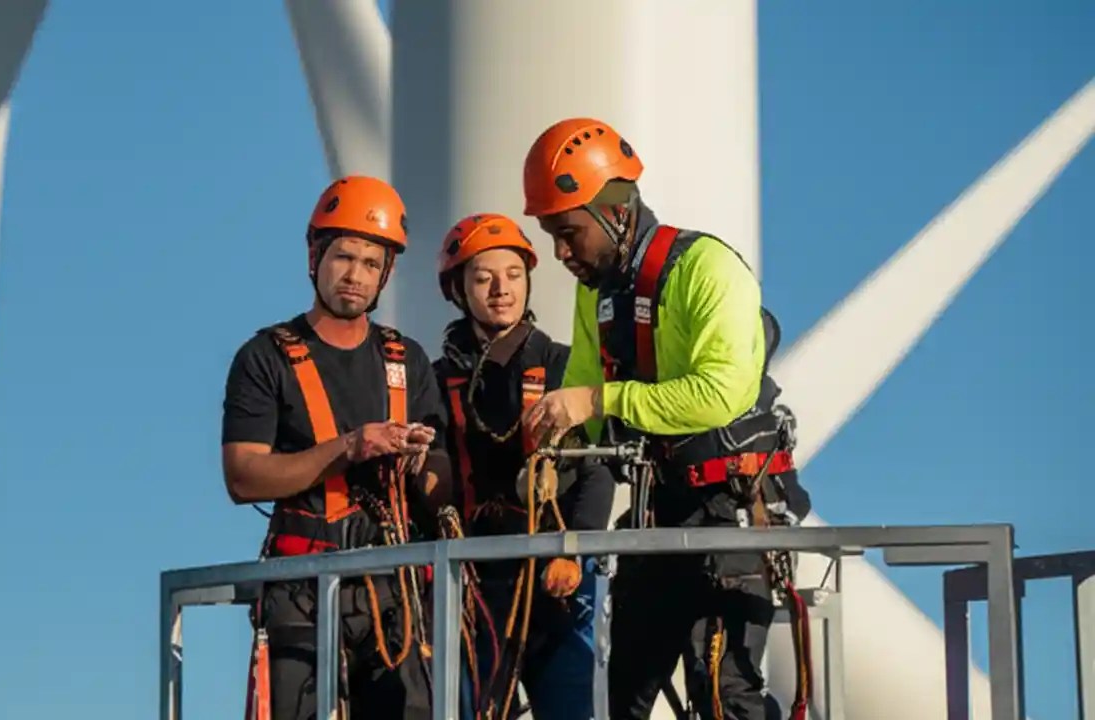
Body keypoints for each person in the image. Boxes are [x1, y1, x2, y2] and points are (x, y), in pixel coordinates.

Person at [518, 118, 813, 720]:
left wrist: (598, 403)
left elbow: (721, 393)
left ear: (615, 213)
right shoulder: (597, 292)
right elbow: (586, 398)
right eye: (552, 236)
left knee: (725, 697)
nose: (561, 254)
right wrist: (554, 455)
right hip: (660, 512)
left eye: (569, 234)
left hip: (731, 512)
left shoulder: (708, 268)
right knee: (622, 695)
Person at [221, 175, 453, 720]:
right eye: (344, 257)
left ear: (386, 274)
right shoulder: (265, 358)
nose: (356, 275)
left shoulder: (407, 361)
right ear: (315, 257)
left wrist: (421, 465)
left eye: (372, 264)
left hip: (393, 588)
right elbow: (243, 476)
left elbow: (441, 479)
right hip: (302, 586)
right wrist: (349, 447)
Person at [430, 212, 617, 720]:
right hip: (473, 582)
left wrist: (575, 550)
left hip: (555, 577)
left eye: (513, 275)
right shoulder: (437, 380)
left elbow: (596, 468)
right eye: (484, 277)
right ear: (458, 288)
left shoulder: (563, 365)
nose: (501, 290)